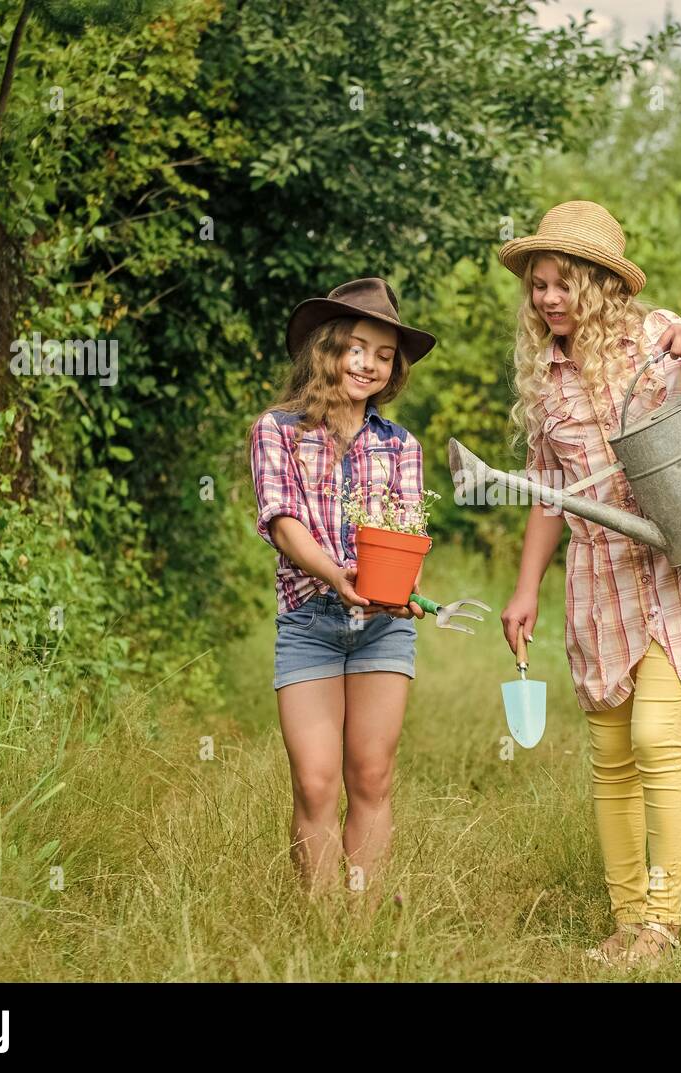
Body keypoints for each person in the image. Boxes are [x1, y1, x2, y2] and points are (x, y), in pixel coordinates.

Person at [497, 201, 681, 966]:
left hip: (672, 564)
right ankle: (627, 920)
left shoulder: (656, 341)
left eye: (562, 283)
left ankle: (661, 925)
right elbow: (547, 491)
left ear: (599, 284)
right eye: (538, 286)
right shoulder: (546, 381)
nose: (547, 299)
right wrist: (526, 588)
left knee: (657, 738)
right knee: (610, 757)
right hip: (599, 578)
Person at [250, 277, 434, 909]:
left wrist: (405, 591)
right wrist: (336, 576)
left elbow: (406, 535)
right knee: (316, 782)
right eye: (357, 348)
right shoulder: (278, 431)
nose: (370, 365)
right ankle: (322, 923)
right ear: (326, 349)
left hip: (383, 625)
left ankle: (359, 920)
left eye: (384, 356)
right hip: (310, 620)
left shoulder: (401, 445)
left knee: (372, 776)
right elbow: (281, 522)